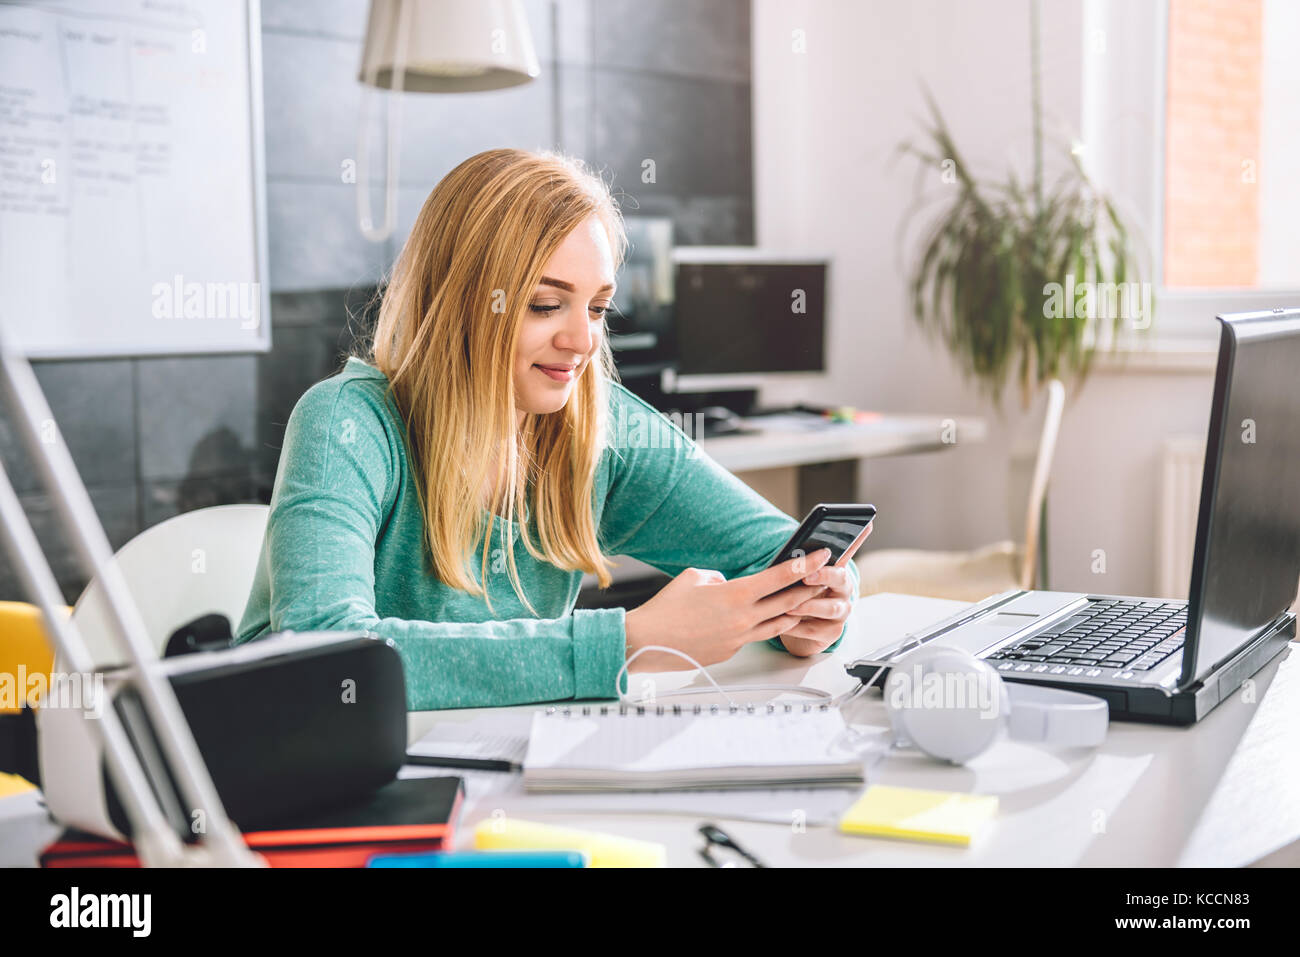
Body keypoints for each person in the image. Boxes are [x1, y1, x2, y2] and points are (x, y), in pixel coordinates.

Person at [235, 148, 859, 710]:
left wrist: (817, 610)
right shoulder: (346, 424)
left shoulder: (597, 427)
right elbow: (326, 652)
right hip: (310, 778)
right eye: (543, 304)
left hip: (498, 773)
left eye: (597, 307)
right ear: (459, 300)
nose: (582, 340)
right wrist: (628, 642)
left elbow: (785, 553)